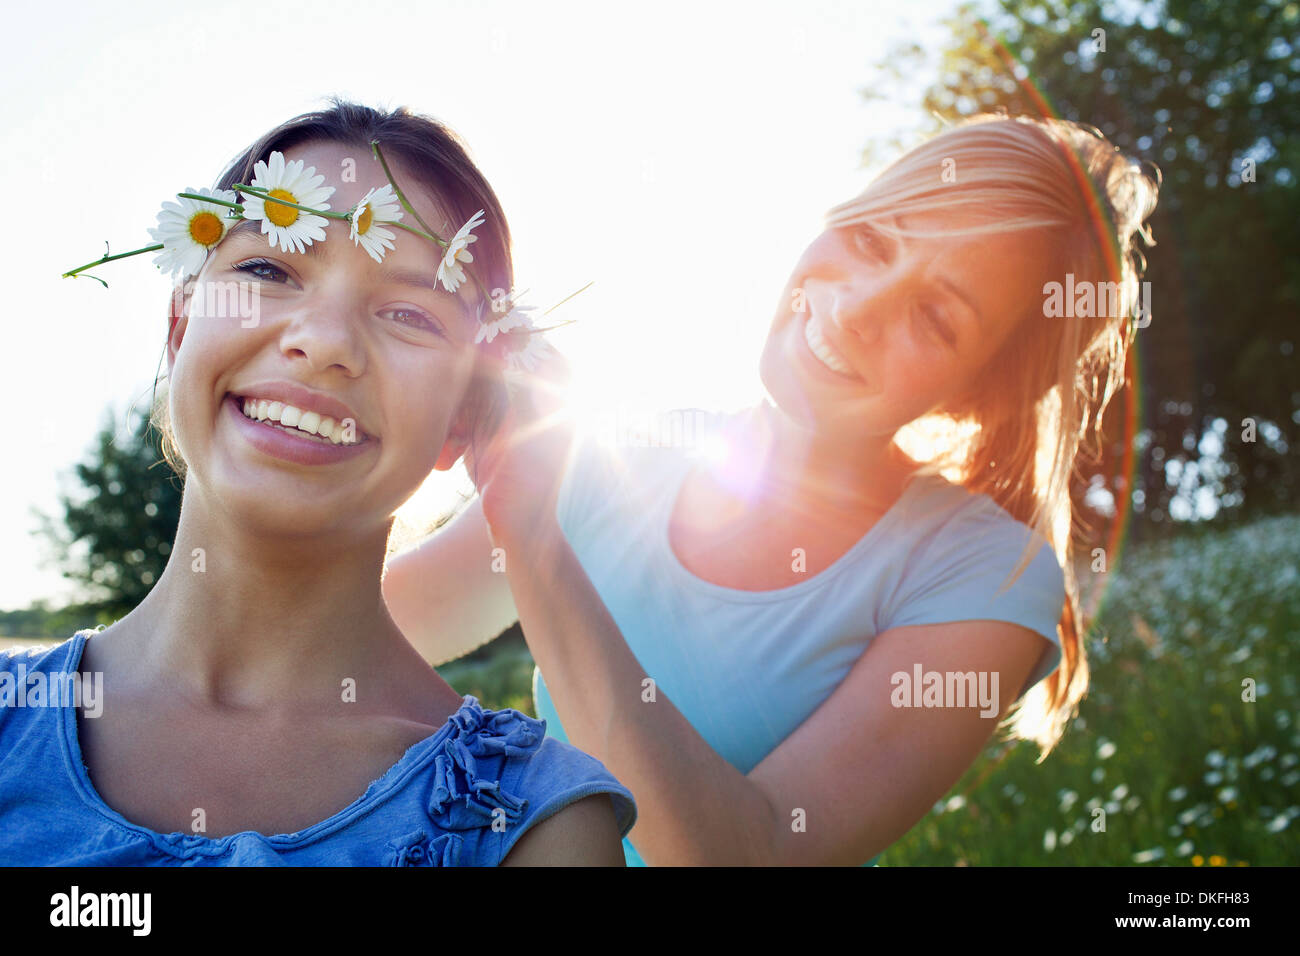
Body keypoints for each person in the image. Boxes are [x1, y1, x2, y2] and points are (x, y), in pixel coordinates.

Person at [383, 112, 1161, 865]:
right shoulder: (611, 458)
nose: (857, 308)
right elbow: (365, 623)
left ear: (978, 391)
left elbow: (748, 853)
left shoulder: (984, 572)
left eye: (934, 317)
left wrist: (535, 545)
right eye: (869, 240)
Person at [0, 99, 635, 866]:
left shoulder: (531, 824)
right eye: (267, 269)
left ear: (465, 416)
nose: (325, 341)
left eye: (410, 313)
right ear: (179, 327)